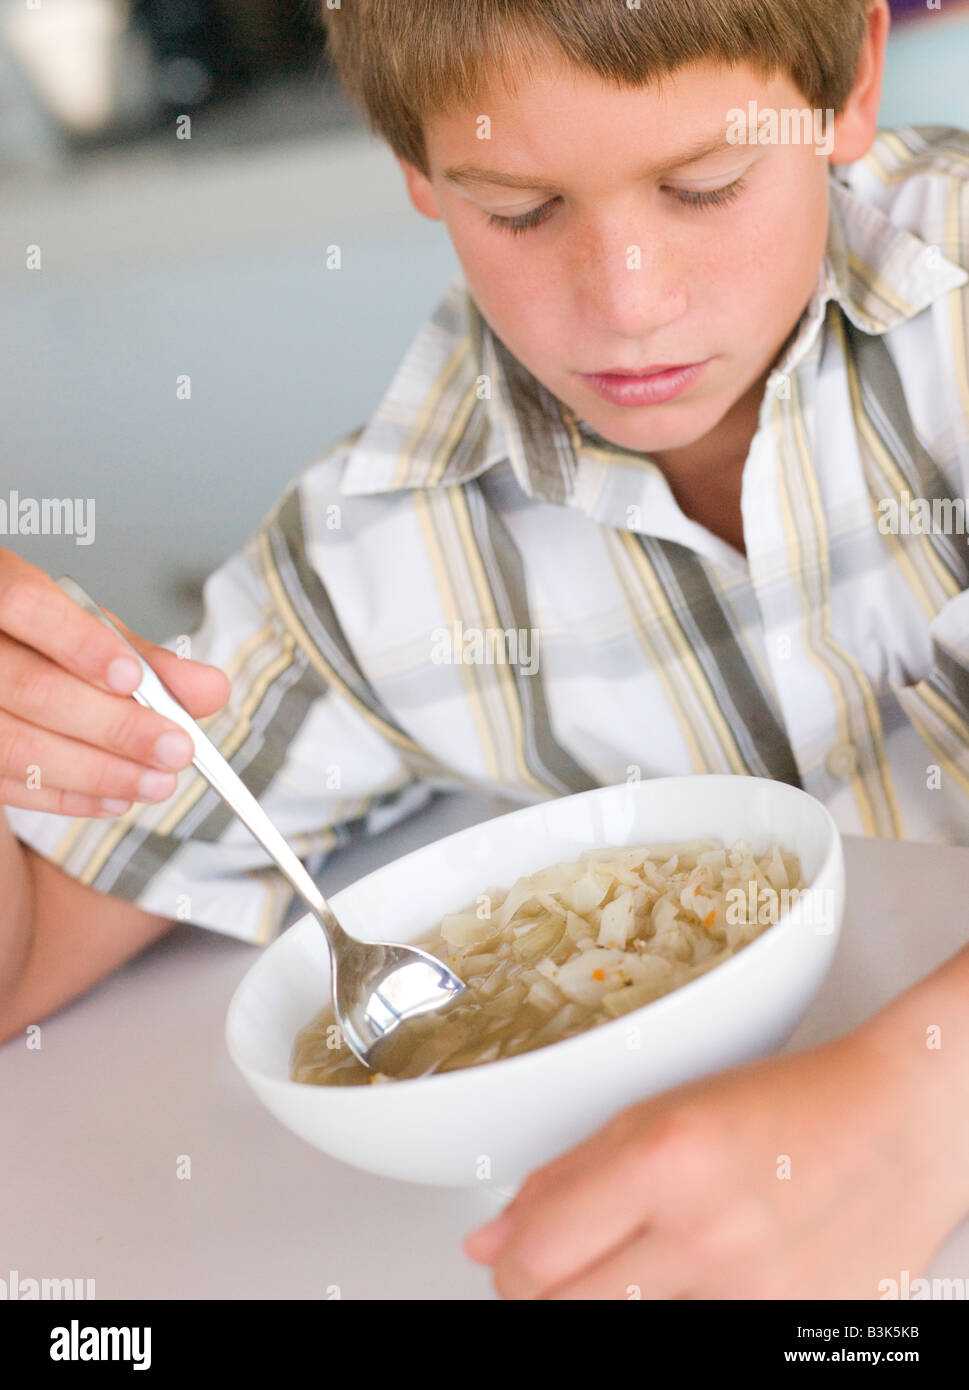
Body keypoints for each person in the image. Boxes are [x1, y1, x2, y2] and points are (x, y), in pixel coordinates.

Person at [2, 0, 969, 1298]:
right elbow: (32, 945)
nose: (627, 301)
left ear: (849, 77)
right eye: (519, 209)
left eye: (705, 185)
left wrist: (909, 1121)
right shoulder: (379, 561)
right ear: (414, 162)